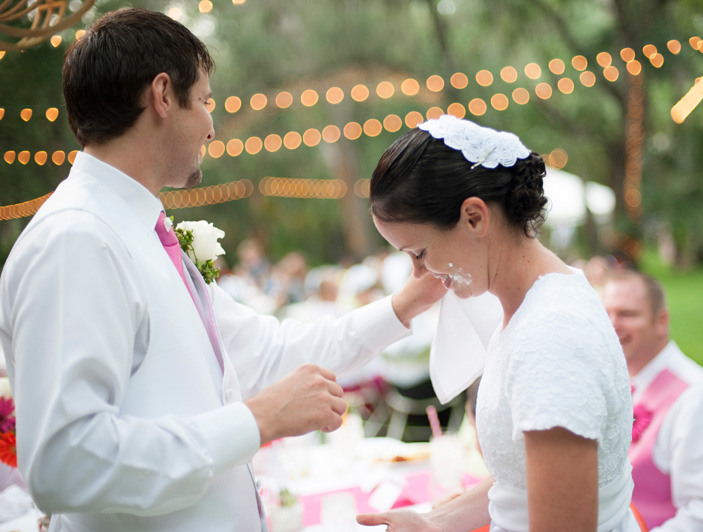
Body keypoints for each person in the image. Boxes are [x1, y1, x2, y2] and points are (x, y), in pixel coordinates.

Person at [0, 8, 442, 532]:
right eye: (206, 101)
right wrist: (258, 420)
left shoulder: (141, 232)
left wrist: (406, 305)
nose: (212, 124)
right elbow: (66, 463)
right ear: (162, 96)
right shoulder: (77, 241)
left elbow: (270, 354)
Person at [357, 115, 644, 532]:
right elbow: (528, 478)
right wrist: (434, 522)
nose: (419, 274)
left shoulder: (551, 337)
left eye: (419, 252)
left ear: (474, 218)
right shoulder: (529, 308)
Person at [601, 271, 703, 531]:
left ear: (661, 321)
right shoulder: (617, 386)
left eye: (627, 314)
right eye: (605, 314)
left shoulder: (701, 400)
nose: (612, 325)